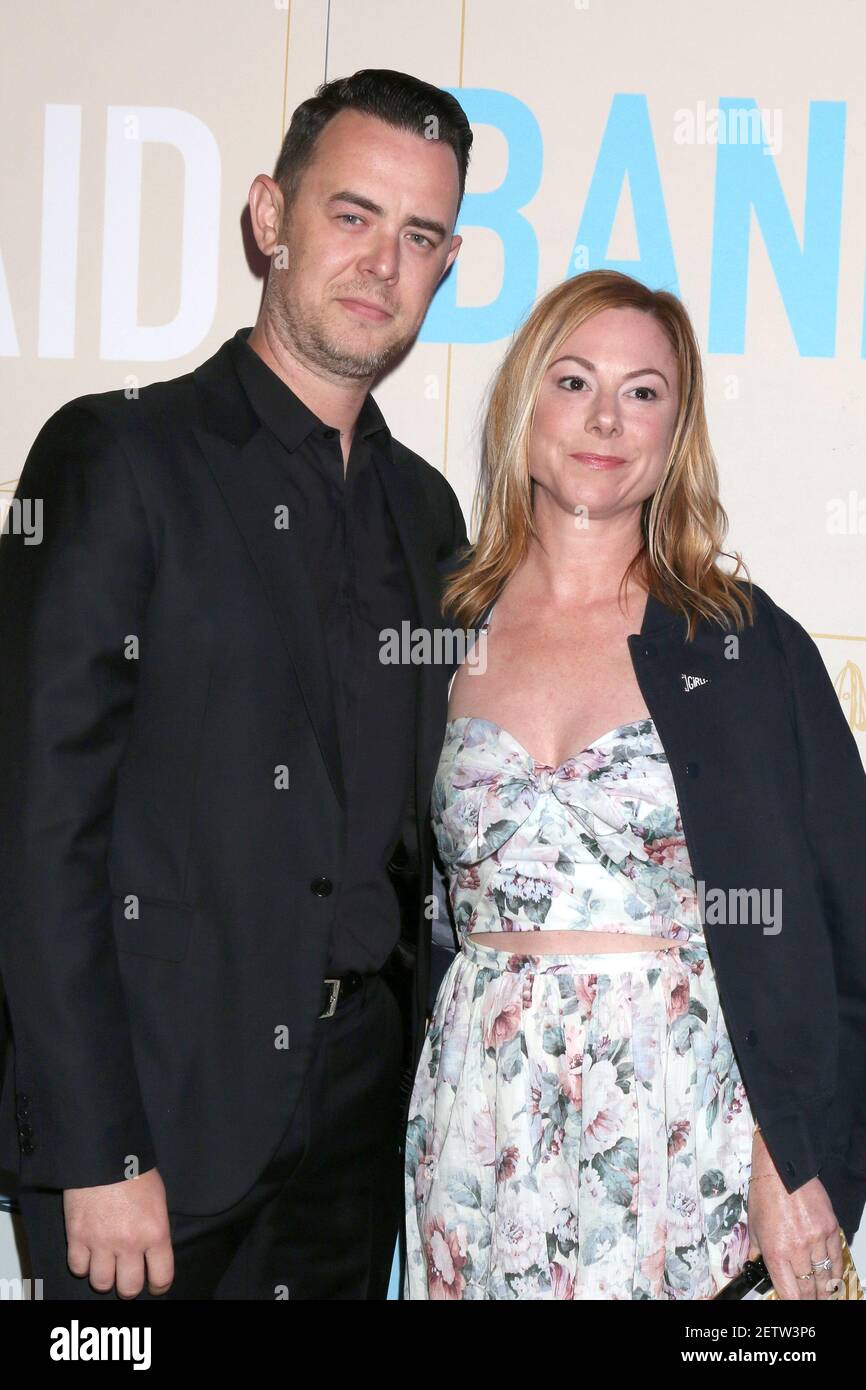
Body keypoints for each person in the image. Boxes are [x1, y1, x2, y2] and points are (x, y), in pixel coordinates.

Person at [0, 68, 472, 1300]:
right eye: (351, 214)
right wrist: (92, 1142)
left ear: (449, 264)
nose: (381, 261)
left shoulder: (429, 518)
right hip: (146, 1126)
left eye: (418, 235)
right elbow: (35, 828)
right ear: (269, 217)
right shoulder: (115, 452)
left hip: (355, 1139)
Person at [403, 268, 866, 1300]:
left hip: (690, 1121)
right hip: (483, 1125)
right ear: (525, 400)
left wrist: (799, 1158)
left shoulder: (746, 645)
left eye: (642, 390)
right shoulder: (434, 627)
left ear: (676, 429)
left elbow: (843, 928)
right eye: (572, 381)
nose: (604, 417)